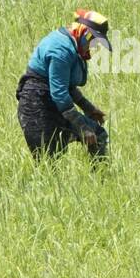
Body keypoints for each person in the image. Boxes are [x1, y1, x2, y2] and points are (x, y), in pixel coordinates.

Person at [17, 9, 111, 163]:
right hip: (37, 106)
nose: (94, 46)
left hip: (56, 104)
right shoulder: (60, 50)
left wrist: (88, 108)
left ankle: (102, 180)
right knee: (48, 163)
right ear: (85, 33)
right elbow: (59, 93)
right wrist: (81, 126)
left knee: (98, 134)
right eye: (94, 40)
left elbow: (66, 85)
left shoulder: (72, 44)